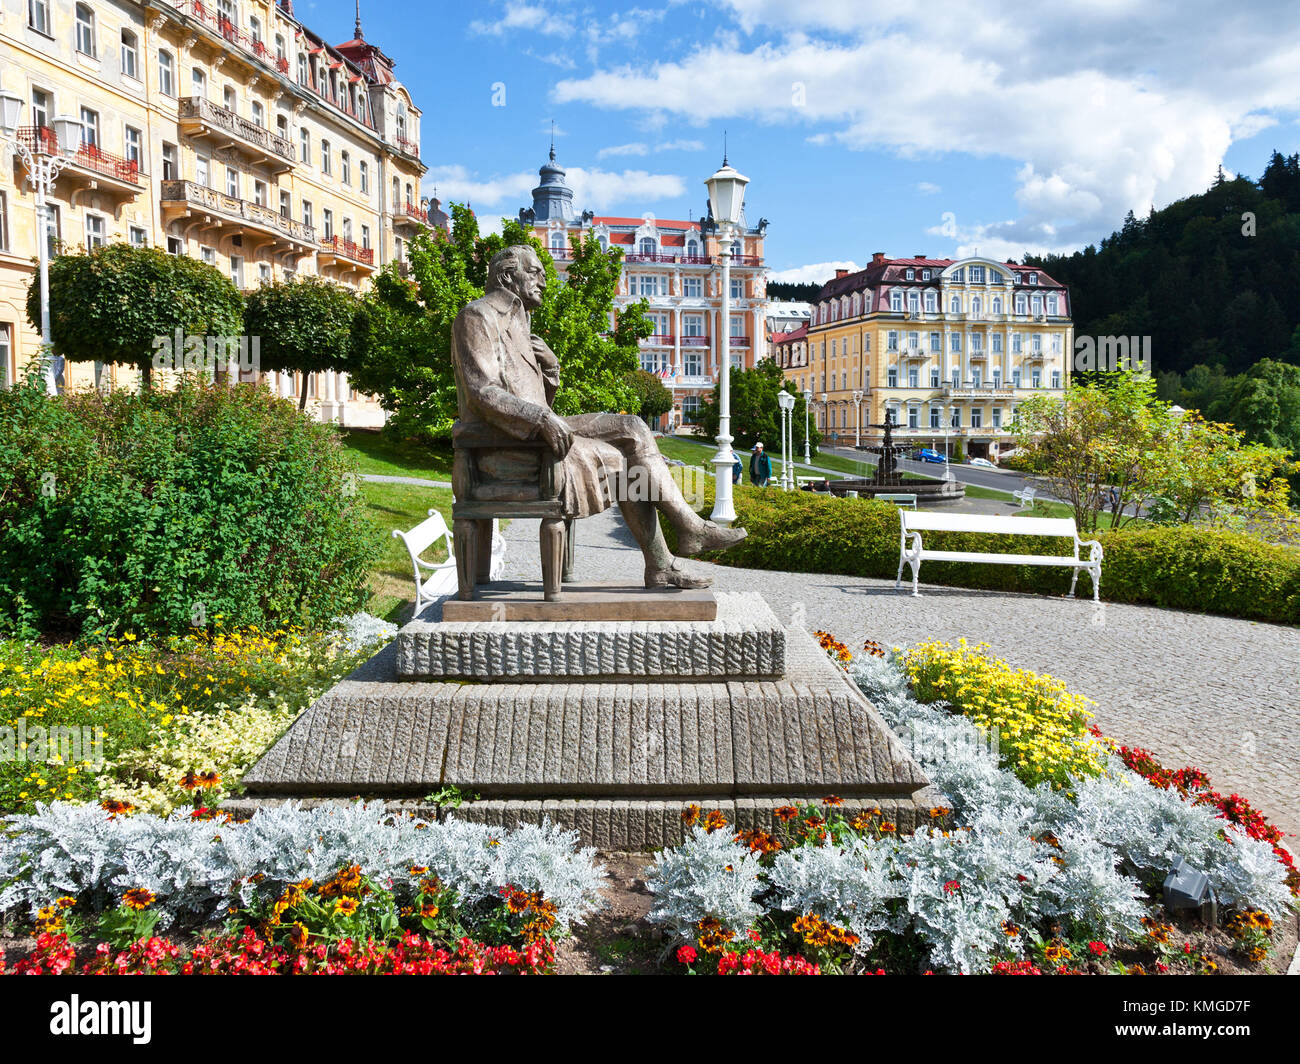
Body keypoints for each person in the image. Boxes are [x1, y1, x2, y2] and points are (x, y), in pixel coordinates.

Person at [451, 245, 747, 589]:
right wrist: (542, 419)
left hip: (535, 432)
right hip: (502, 446)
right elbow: (483, 392)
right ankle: (664, 561)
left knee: (632, 428)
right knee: (624, 465)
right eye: (535, 272)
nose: (544, 282)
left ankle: (688, 530)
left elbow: (537, 399)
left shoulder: (520, 323)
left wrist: (551, 368)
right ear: (506, 276)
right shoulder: (477, 317)